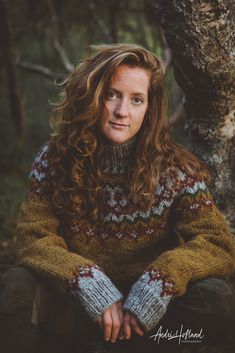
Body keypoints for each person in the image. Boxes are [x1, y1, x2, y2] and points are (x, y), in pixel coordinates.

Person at [8, 44, 235, 351]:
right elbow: (33, 239)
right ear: (93, 95)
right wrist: (85, 282)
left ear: (149, 108)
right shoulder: (54, 162)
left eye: (136, 100)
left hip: (147, 321)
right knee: (17, 285)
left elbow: (217, 243)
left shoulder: (175, 169)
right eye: (112, 94)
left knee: (215, 297)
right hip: (73, 308)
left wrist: (163, 278)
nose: (122, 111)